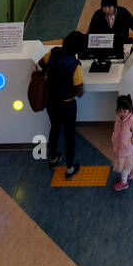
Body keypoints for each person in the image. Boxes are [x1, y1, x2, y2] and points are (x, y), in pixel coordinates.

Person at [38, 31, 86, 178]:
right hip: (67, 105)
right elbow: (79, 92)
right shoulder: (75, 66)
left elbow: (41, 64)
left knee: (54, 128)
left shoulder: (52, 54)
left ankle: (53, 159)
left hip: (51, 102)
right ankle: (70, 168)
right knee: (69, 135)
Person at [110, 94, 133, 192]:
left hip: (126, 150)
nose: (122, 113)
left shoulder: (131, 122)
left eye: (125, 111)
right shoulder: (118, 118)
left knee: (124, 167)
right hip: (120, 148)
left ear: (130, 110)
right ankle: (128, 174)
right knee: (125, 166)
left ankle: (124, 183)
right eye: (120, 111)